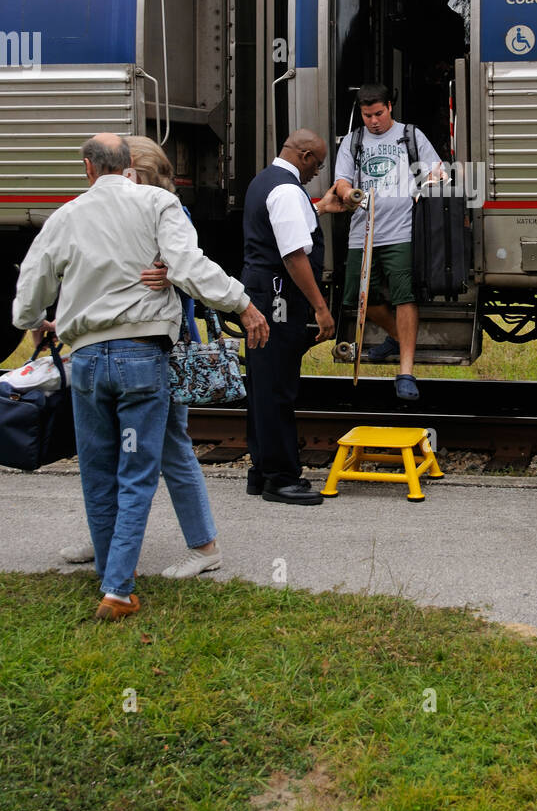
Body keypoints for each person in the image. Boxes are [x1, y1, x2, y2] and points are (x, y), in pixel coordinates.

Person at [12, 133, 268, 619]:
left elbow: (30, 291)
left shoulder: (64, 216)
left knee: (97, 471)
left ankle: (114, 577)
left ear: (88, 168)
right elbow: (190, 264)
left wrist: (34, 321)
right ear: (126, 164)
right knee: (136, 472)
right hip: (140, 359)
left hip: (86, 361)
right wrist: (243, 303)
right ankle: (117, 589)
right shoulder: (159, 204)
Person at [59, 136, 224, 578]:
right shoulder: (136, 210)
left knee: (169, 449)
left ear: (136, 174)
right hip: (137, 349)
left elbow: (191, 272)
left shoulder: (166, 210)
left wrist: (172, 275)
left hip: (157, 349)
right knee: (134, 448)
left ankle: (203, 546)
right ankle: (110, 541)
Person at [242, 129, 344, 504]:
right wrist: (320, 307)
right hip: (278, 296)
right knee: (277, 388)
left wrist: (318, 209)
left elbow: (280, 227)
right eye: (316, 164)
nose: (316, 172)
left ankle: (261, 470)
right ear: (303, 155)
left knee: (263, 383)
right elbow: (293, 255)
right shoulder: (286, 190)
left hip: (263, 292)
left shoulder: (266, 181)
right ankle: (280, 477)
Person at [333, 83, 441, 401]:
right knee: (357, 296)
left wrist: (430, 184)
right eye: (367, 115)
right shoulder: (353, 141)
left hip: (402, 232)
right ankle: (395, 336)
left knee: (404, 297)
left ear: (389, 107)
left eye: (378, 113)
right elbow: (341, 181)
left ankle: (405, 372)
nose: (374, 121)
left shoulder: (410, 135)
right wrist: (347, 193)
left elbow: (436, 171)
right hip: (361, 233)